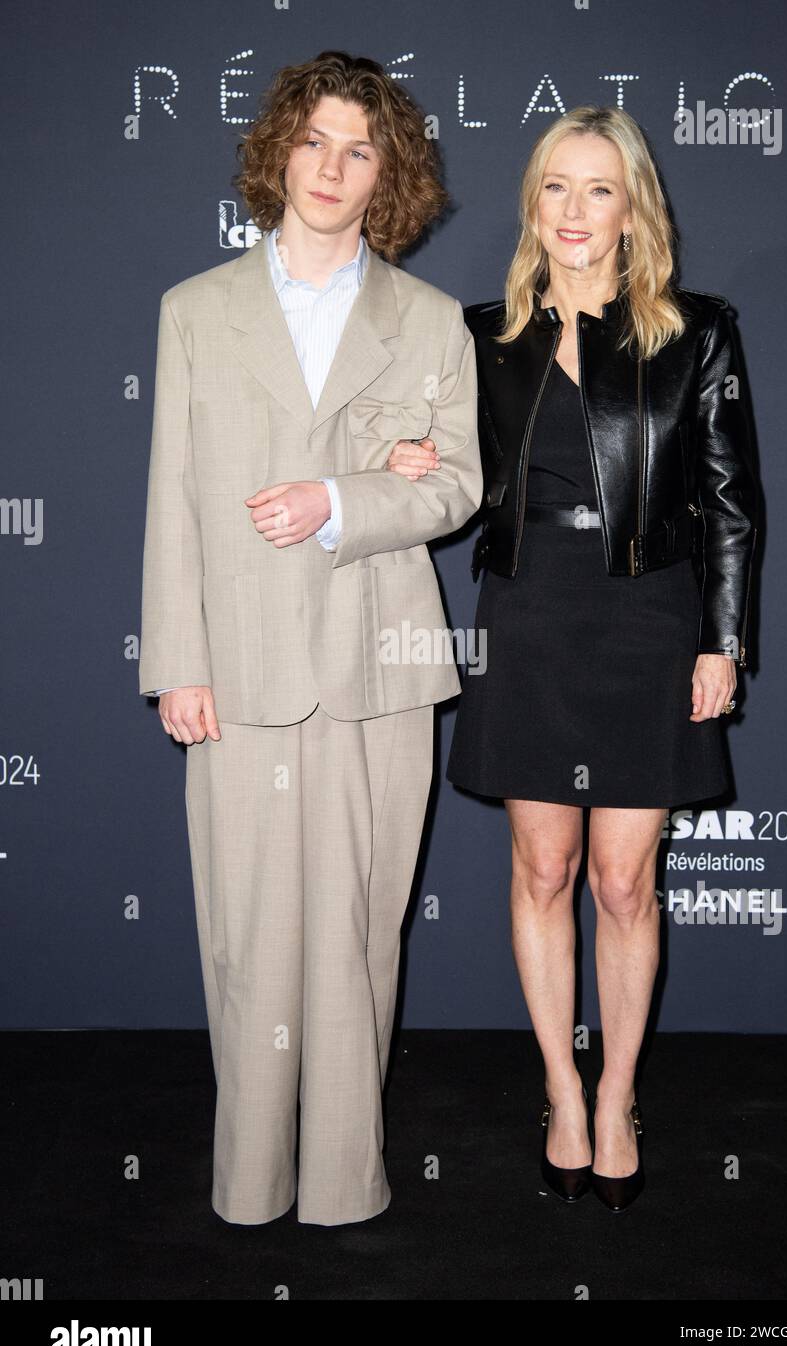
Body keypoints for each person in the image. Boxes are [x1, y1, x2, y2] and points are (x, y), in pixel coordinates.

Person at [386, 105, 757, 1211]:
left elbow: (733, 504)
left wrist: (720, 639)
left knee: (621, 881)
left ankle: (617, 1097)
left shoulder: (696, 332)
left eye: (599, 189)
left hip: (648, 622)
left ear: (633, 205)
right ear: (531, 204)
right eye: (556, 187)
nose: (575, 212)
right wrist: (415, 457)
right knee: (541, 872)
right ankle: (559, 1086)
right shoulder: (478, 333)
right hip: (530, 618)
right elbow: (451, 479)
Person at [138, 50, 483, 1226]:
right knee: (244, 940)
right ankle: (247, 1184)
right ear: (278, 148)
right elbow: (171, 497)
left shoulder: (432, 323)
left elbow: (454, 491)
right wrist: (175, 660)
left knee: (355, 940)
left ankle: (344, 1183)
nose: (332, 167)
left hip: (376, 672)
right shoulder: (194, 310)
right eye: (314, 140)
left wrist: (340, 498)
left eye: (359, 147)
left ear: (388, 172)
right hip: (233, 670)